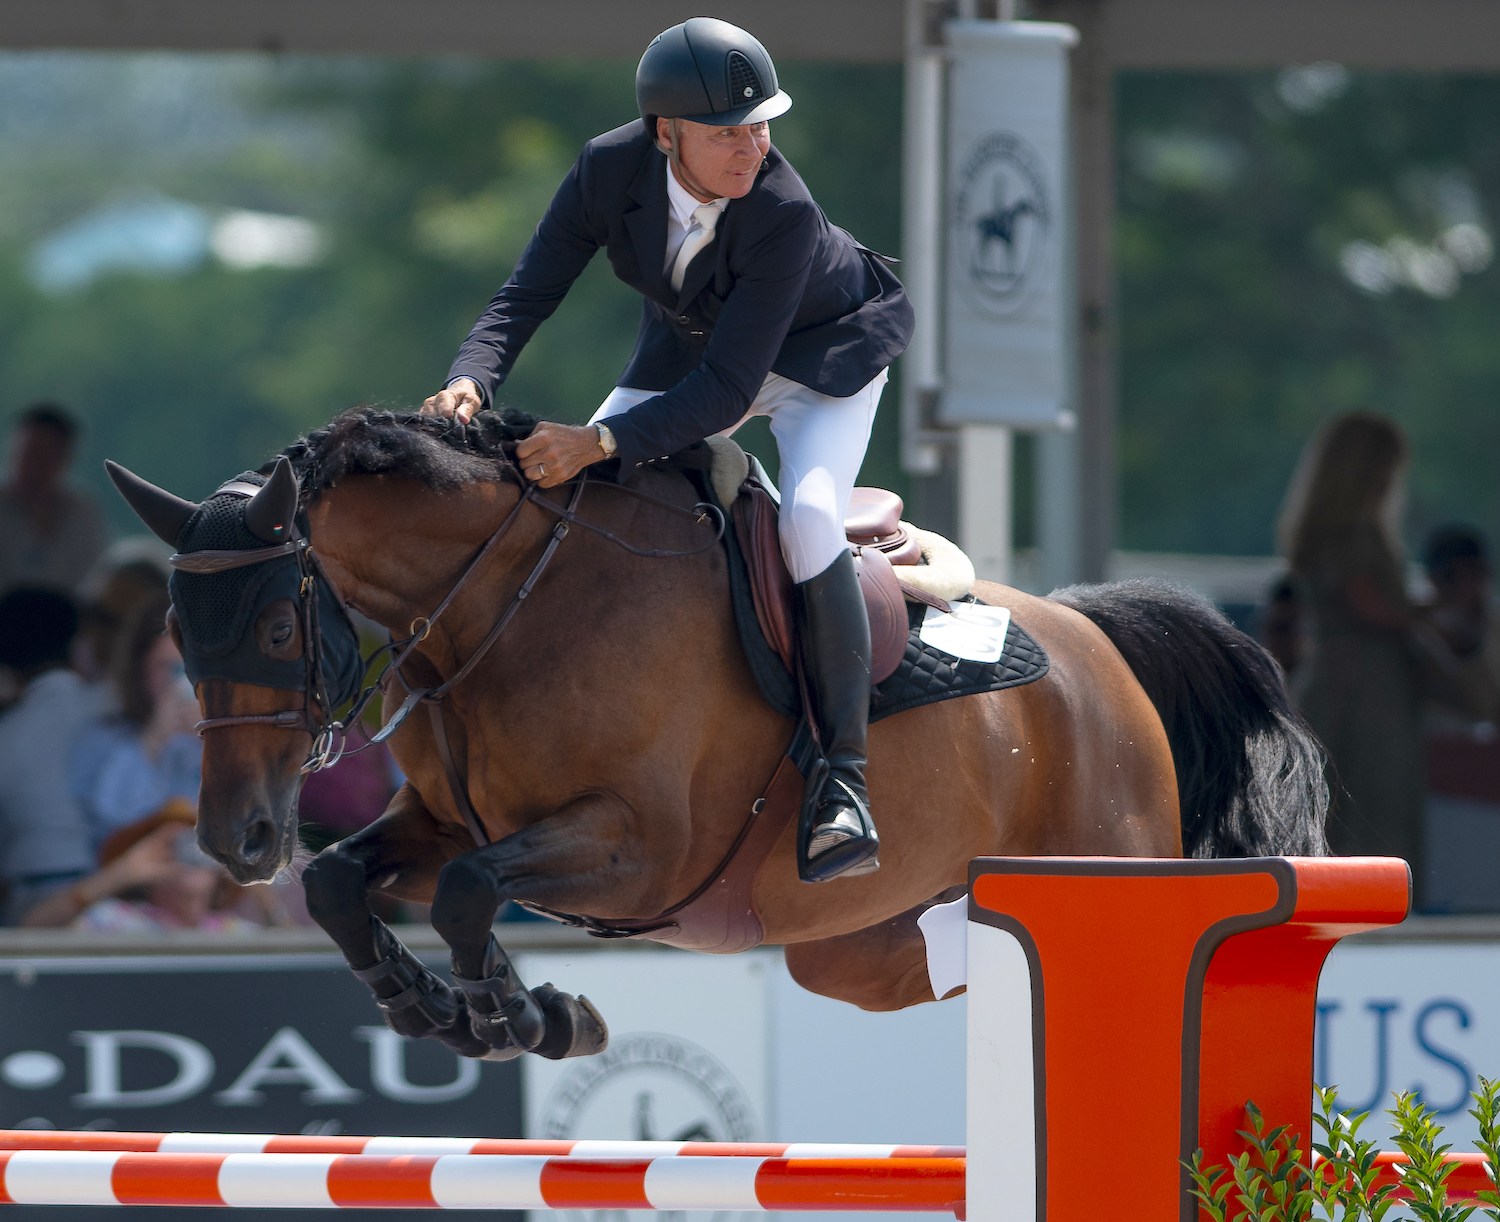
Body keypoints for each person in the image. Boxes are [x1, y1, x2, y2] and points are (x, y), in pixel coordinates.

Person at [422, 18, 914, 882]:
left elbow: (729, 395)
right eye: (729, 132)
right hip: (698, 351)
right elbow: (525, 294)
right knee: (582, 498)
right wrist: (472, 379)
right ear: (665, 133)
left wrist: (600, 438)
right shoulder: (606, 171)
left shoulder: (782, 210)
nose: (752, 147)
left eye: (763, 125)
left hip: (819, 361)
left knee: (805, 521)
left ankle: (843, 781)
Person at [1278, 414, 1425, 875]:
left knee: (1332, 811)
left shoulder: (1320, 535)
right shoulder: (1353, 539)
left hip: (1332, 684)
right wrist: (1433, 613)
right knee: (1374, 807)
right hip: (1368, 692)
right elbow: (1372, 606)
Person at [69, 592, 201, 853]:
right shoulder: (101, 738)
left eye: (191, 669)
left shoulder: (223, 740)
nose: (180, 685)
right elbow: (116, 819)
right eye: (168, 669)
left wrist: (214, 741)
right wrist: (154, 739)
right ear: (139, 669)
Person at [0, 587, 102, 923]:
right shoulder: (109, 711)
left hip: (29, 898)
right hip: (111, 890)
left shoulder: (9, 729)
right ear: (77, 646)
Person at [20, 800, 269, 933]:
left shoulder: (235, 933)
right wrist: (119, 874)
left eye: (205, 842)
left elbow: (296, 966)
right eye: (173, 845)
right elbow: (30, 933)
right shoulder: (114, 921)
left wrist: (254, 879)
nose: (191, 854)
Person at [0, 403, 105, 595]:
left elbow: (93, 583)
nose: (31, 469)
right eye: (25, 455)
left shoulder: (82, 512)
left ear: (65, 460)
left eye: (41, 458)